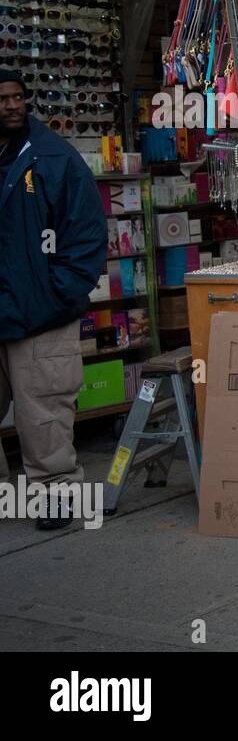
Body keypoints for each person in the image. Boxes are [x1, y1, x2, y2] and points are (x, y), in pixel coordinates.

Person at [0, 66, 106, 528]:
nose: (10, 104)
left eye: (16, 96)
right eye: (1, 97)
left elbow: (86, 234)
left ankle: (57, 498)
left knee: (44, 414)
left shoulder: (52, 157)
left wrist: (57, 291)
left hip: (39, 314)